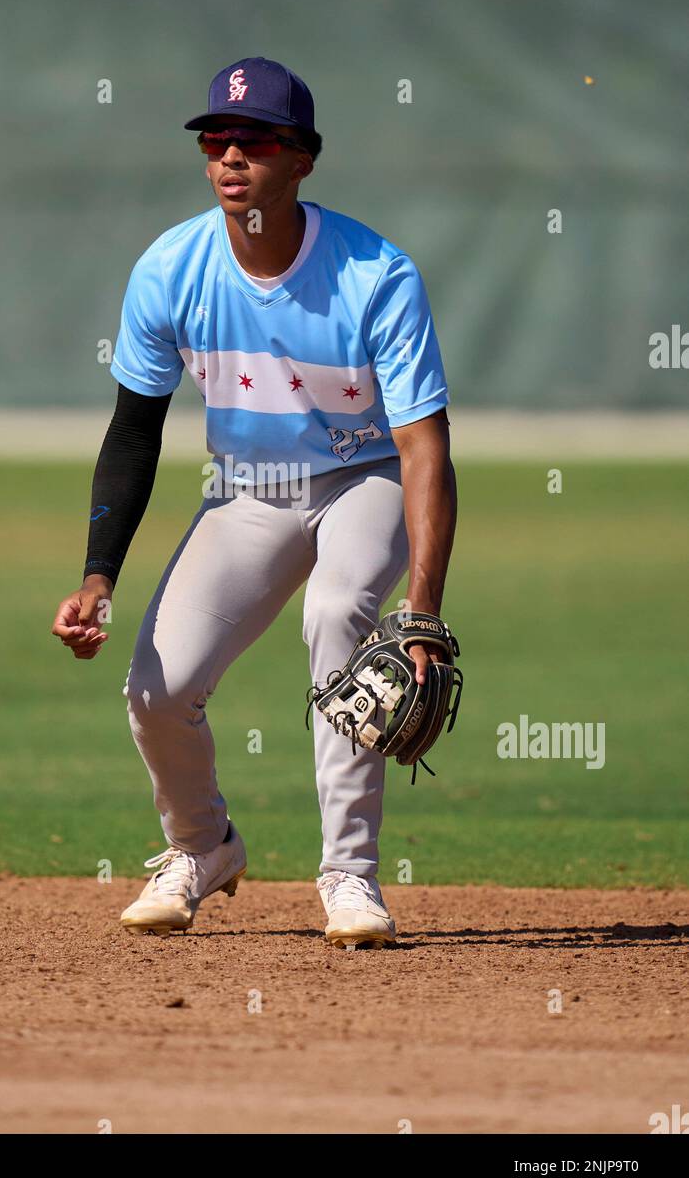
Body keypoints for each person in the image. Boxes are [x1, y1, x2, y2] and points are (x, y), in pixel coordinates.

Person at [52, 57, 456, 949]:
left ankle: (350, 877)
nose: (232, 155)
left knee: (341, 613)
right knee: (159, 689)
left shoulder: (375, 273)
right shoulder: (171, 269)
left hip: (367, 476)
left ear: (303, 158)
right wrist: (97, 577)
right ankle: (202, 848)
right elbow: (132, 434)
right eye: (217, 140)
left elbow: (426, 443)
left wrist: (421, 609)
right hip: (250, 494)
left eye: (257, 139)